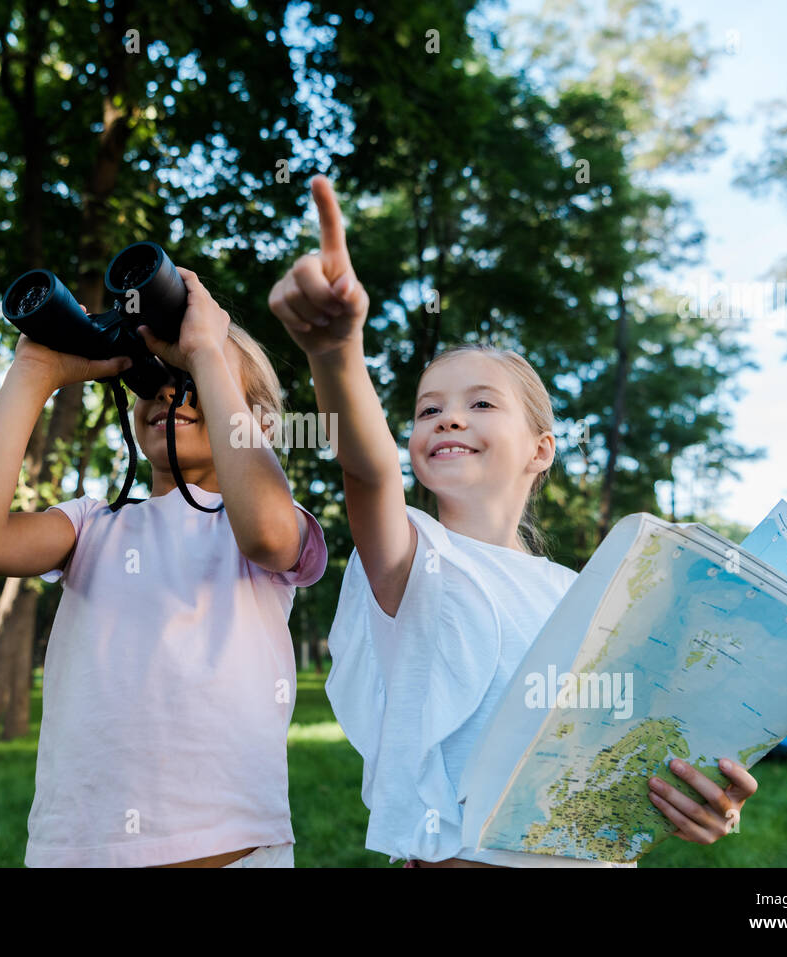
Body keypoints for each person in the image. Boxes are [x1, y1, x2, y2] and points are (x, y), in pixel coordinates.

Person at [268, 175, 757, 868]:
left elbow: (626, 747)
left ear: (540, 448)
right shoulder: (416, 557)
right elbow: (367, 470)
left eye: (480, 402)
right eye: (427, 408)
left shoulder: (581, 592)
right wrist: (334, 350)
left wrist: (706, 801)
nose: (448, 416)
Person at [0, 266, 328, 867]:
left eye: (194, 380)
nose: (170, 394)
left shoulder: (257, 524)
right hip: (78, 849)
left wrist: (207, 350)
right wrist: (34, 373)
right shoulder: (93, 526)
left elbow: (270, 532)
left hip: (222, 849)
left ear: (258, 424)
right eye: (157, 381)